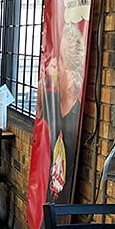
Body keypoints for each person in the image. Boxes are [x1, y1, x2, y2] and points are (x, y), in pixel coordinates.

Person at [38, 22, 87, 204]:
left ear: (71, 77)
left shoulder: (76, 123)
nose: (52, 65)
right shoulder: (52, 107)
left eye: (59, 60)